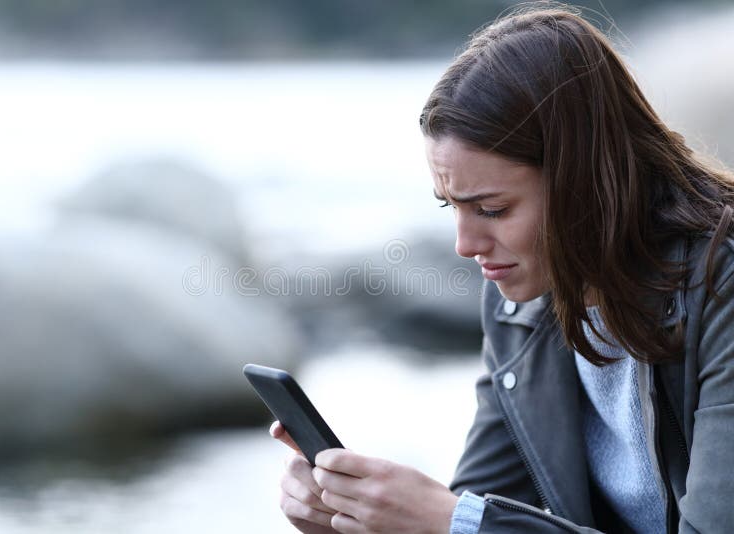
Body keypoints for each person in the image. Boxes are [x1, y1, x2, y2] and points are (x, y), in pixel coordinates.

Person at [271, 3, 734, 532]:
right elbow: (483, 506)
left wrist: (454, 520)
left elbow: (467, 521)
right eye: (453, 207)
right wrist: (353, 516)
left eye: (491, 210)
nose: (465, 246)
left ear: (582, 181)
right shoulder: (523, 299)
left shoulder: (721, 286)